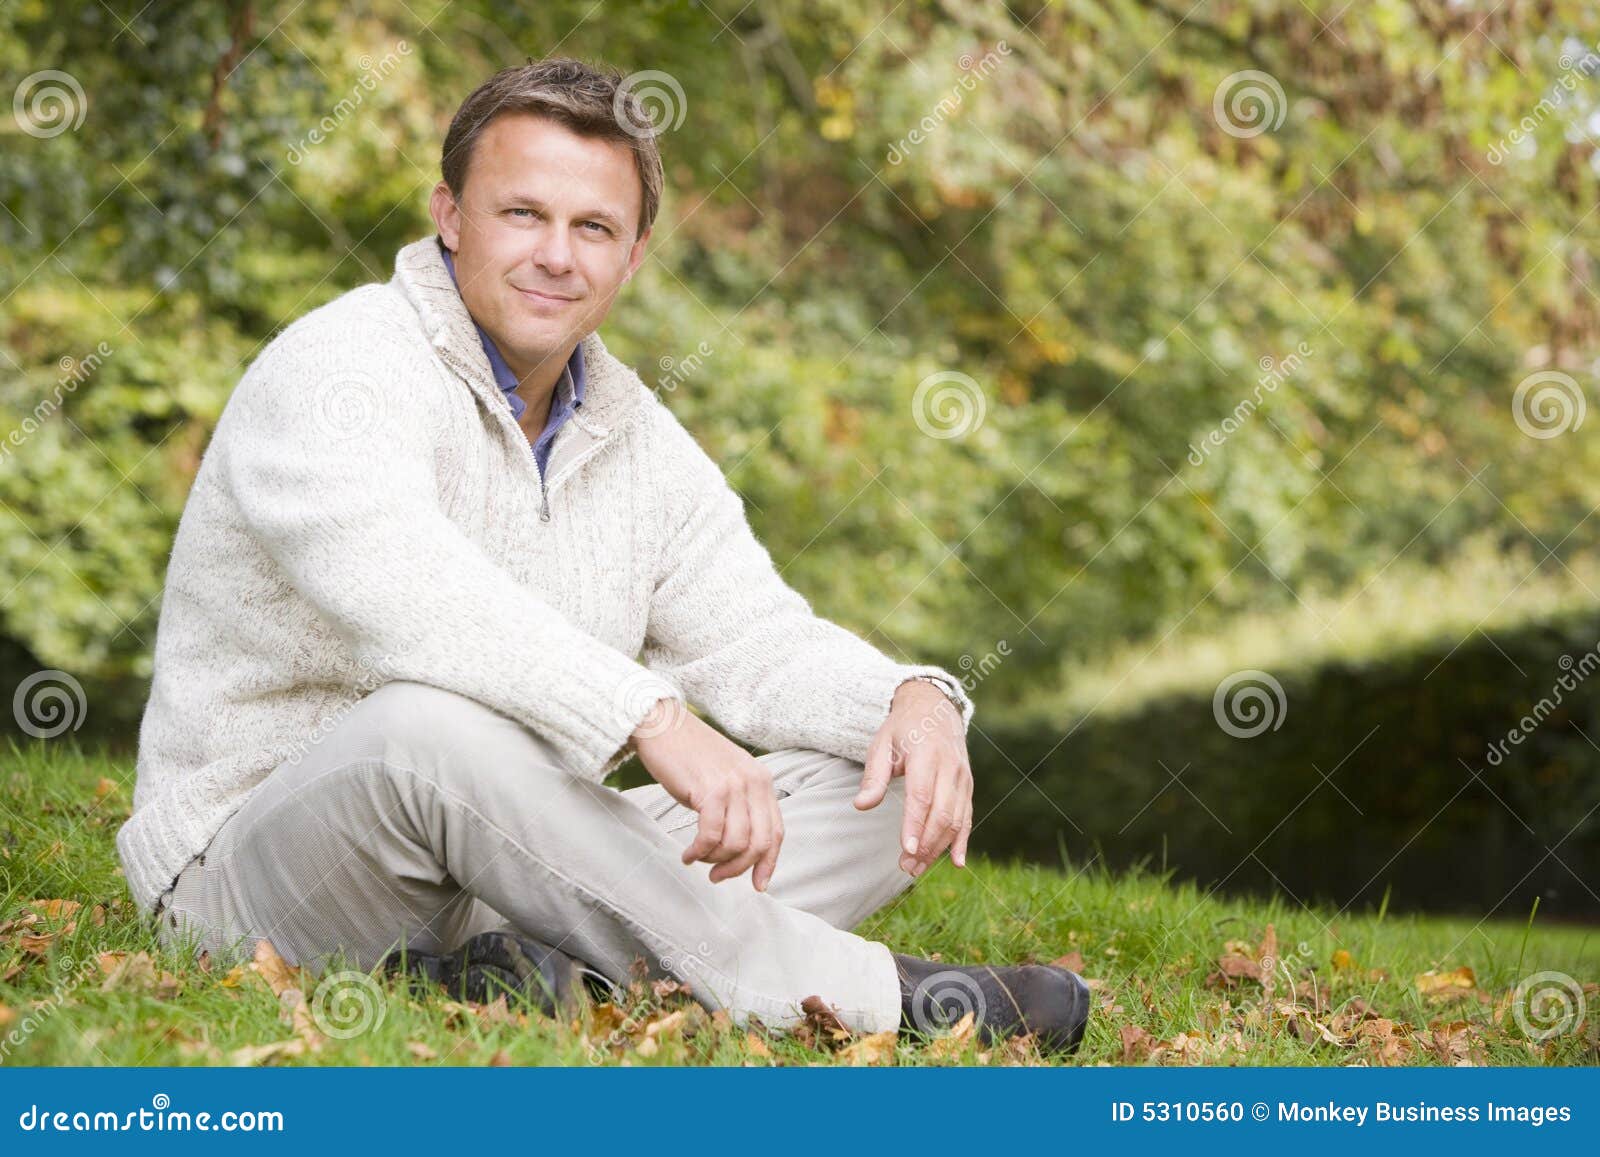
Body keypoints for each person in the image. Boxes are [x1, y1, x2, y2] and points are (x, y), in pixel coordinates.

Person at [119, 56, 1089, 1054]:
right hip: (258, 873)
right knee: (418, 725)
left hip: (511, 873)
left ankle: (525, 974)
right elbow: (404, 583)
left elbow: (752, 635)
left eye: (592, 228)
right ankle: (887, 994)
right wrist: (649, 715)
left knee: (875, 776)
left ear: (632, 257)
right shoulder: (341, 364)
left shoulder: (635, 435)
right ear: (450, 214)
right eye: (522, 214)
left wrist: (912, 700)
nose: (556, 255)